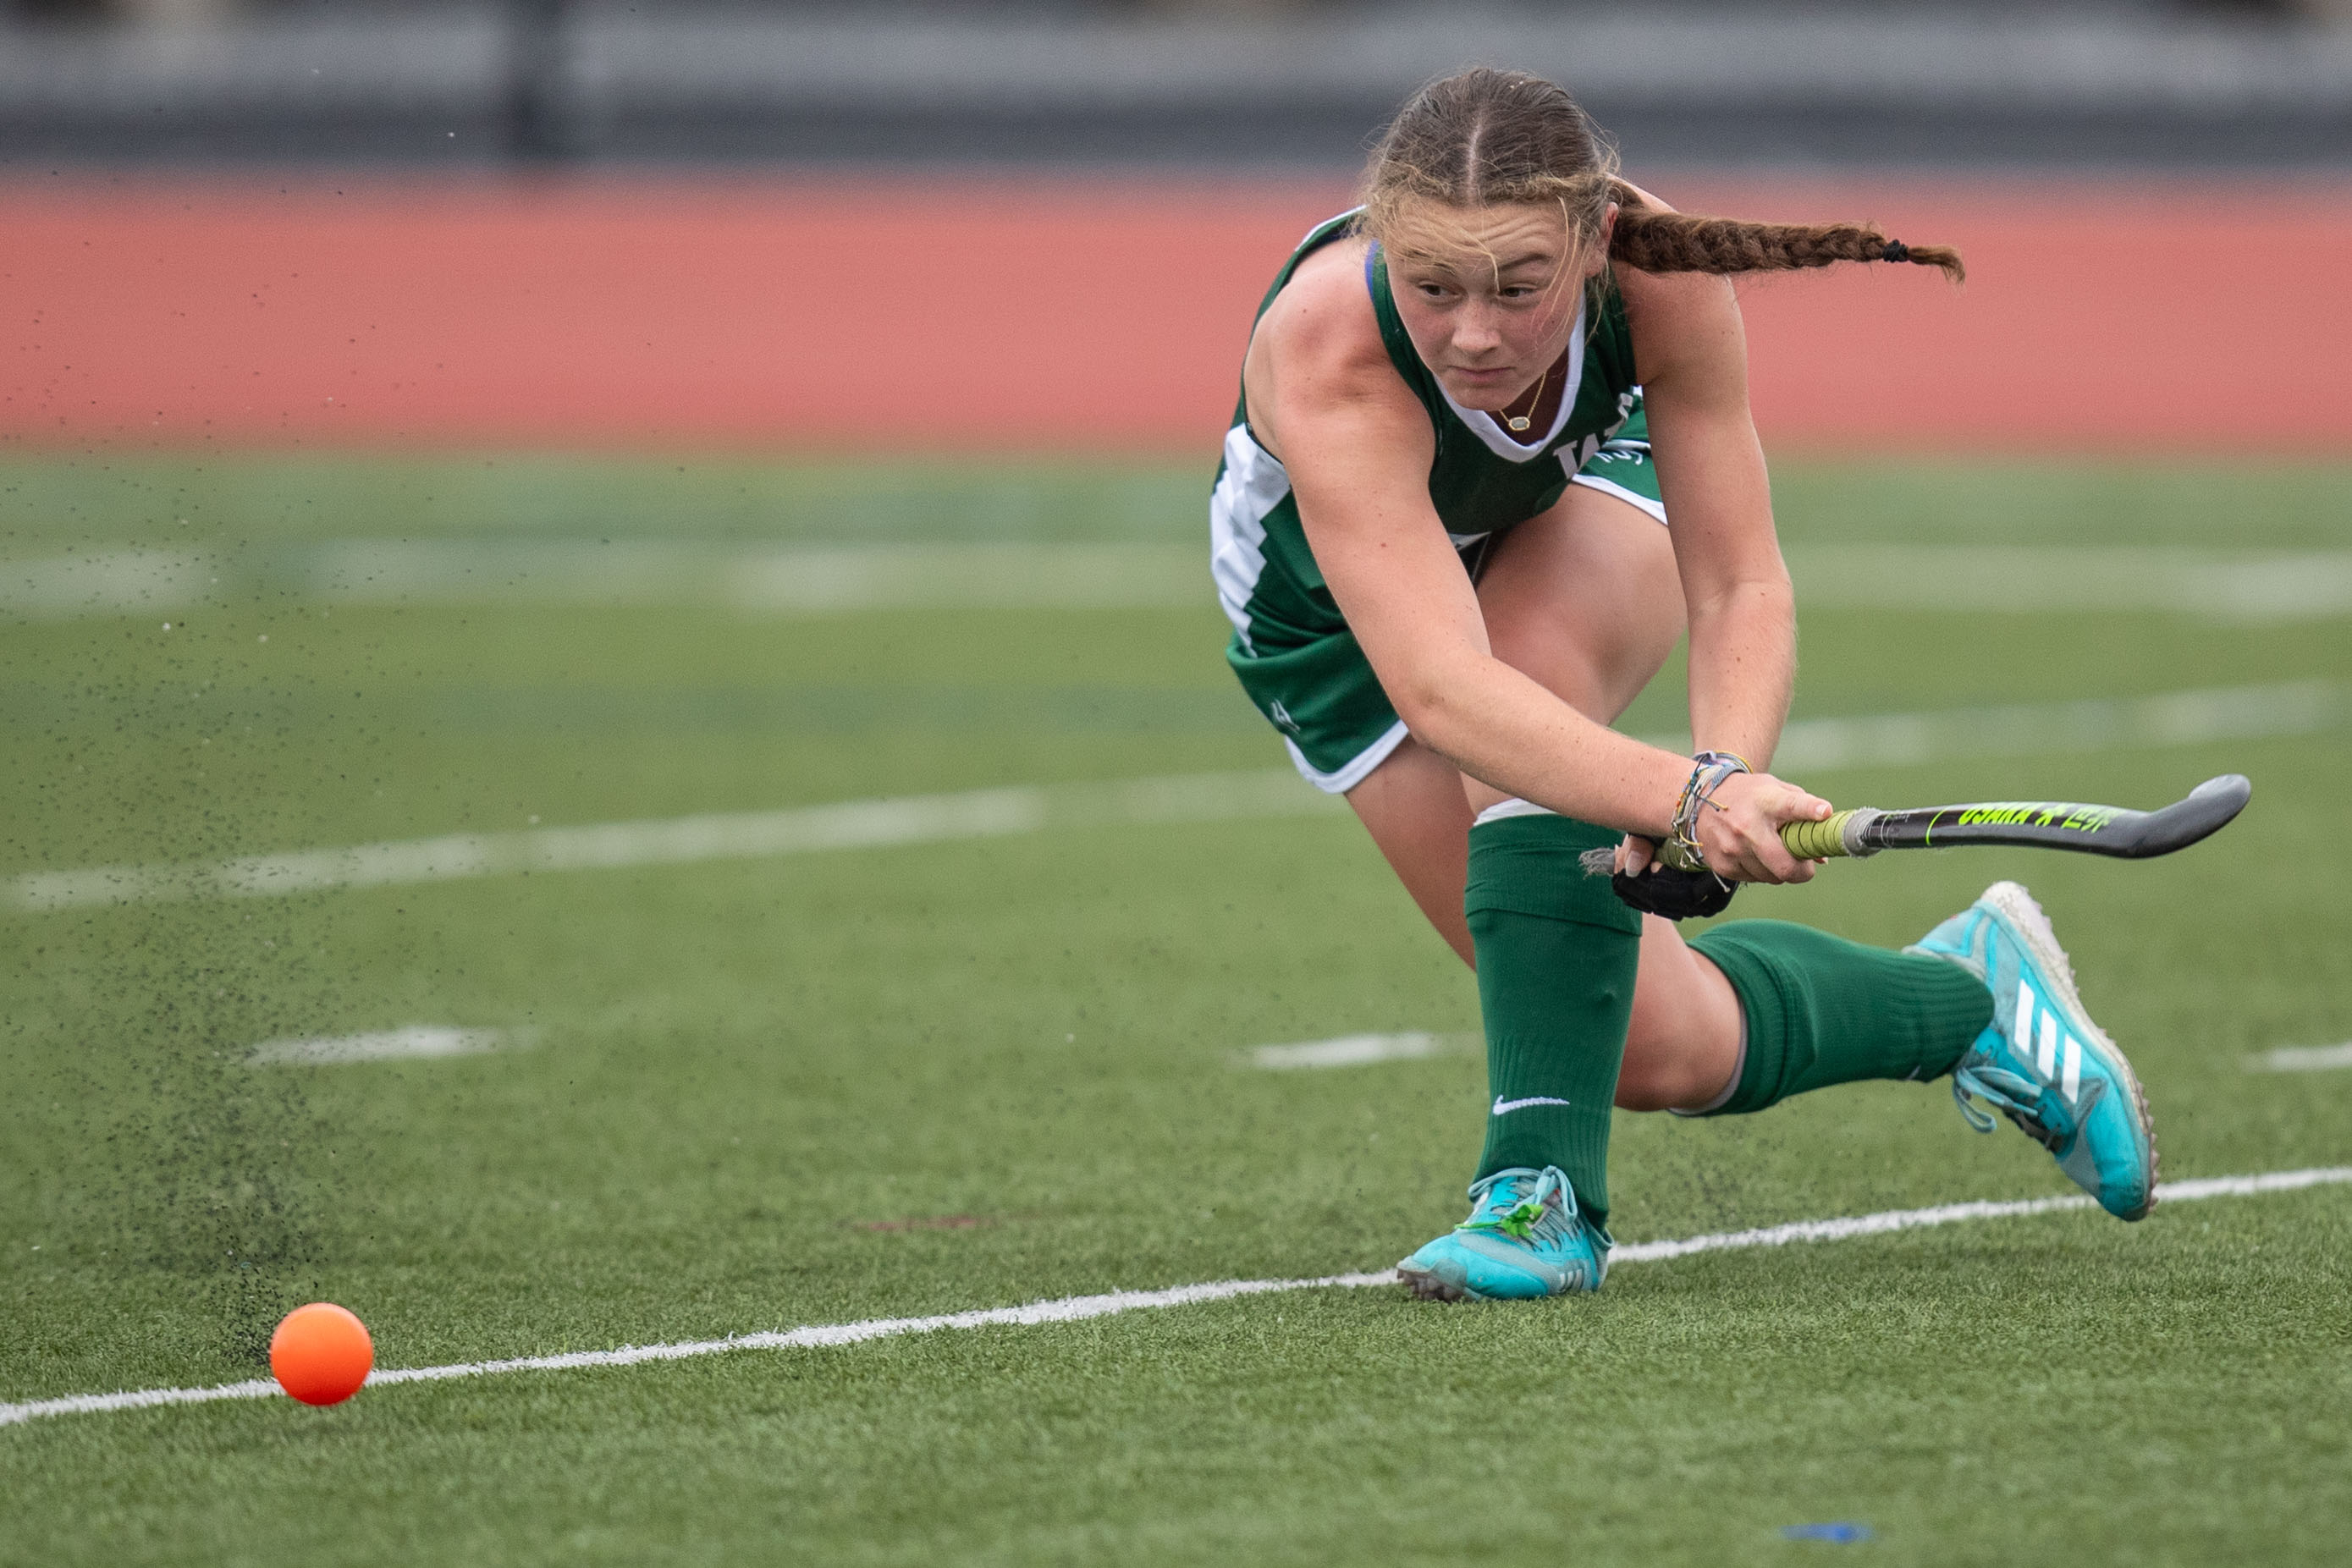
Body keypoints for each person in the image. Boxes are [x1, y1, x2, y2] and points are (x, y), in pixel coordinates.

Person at [1210, 67, 2156, 1301]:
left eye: (1519, 285)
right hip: (1334, 630)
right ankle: (1970, 995)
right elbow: (1439, 689)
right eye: (1436, 286)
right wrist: (1684, 792)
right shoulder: (1333, 347)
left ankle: (1537, 1202)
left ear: (1593, 243)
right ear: (1388, 246)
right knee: (1651, 1047)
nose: (1478, 332)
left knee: (1531, 677)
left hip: (1578, 512)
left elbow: (1738, 583)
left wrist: (1724, 776)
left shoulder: (1661, 279)